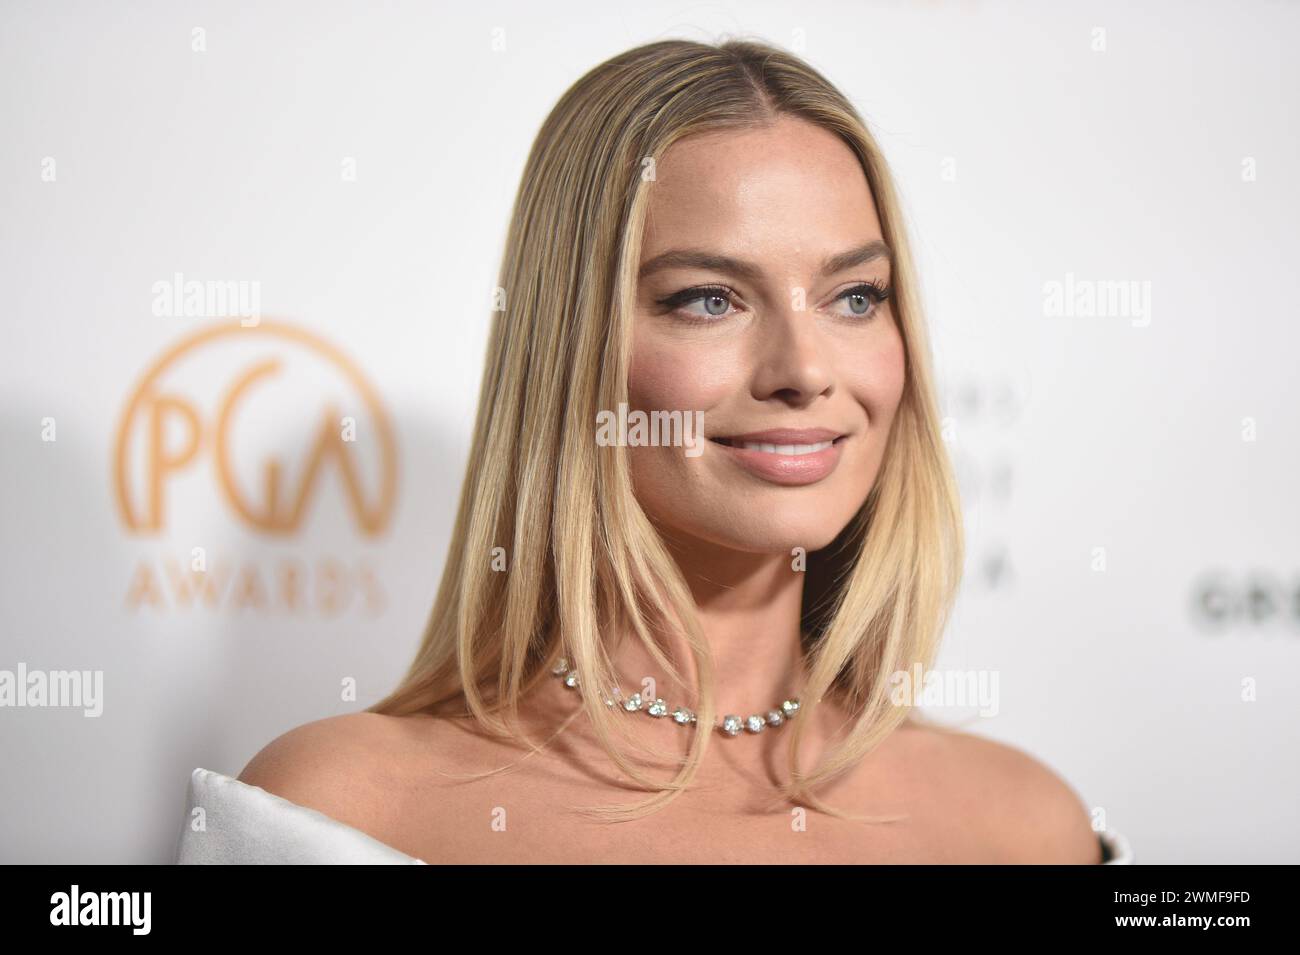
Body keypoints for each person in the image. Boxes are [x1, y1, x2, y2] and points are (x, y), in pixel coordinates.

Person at [176, 37, 1133, 865]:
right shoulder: (345, 806)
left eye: (855, 296)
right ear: (571, 351)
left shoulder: (1026, 826)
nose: (804, 369)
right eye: (709, 298)